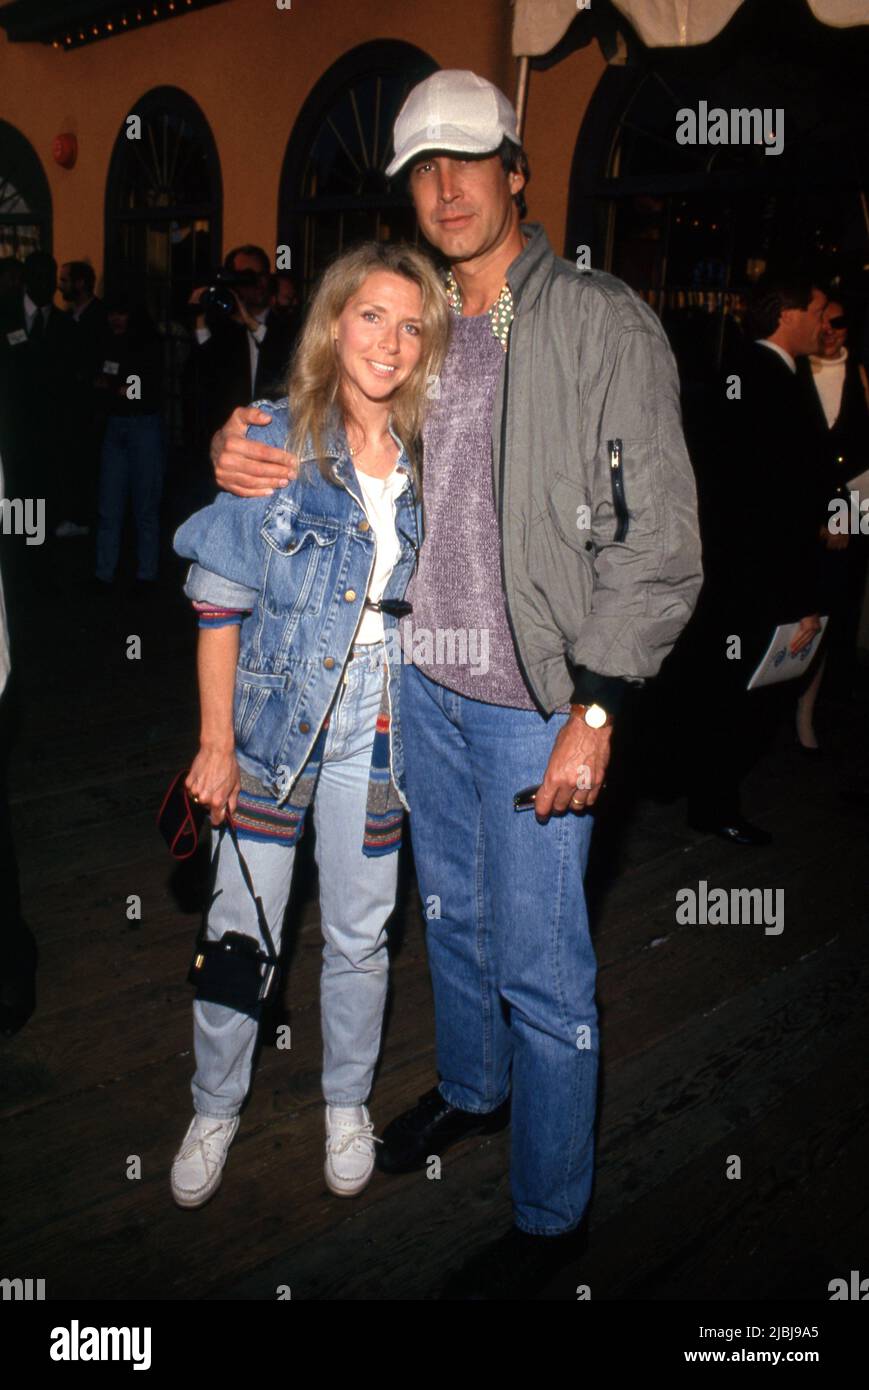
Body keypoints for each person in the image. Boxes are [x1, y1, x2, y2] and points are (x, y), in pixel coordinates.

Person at [207, 71, 702, 1298]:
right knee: (456, 926)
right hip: (418, 691)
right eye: (424, 168)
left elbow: (662, 546)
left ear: (516, 167)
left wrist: (597, 709)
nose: (446, 186)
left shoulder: (598, 319)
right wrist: (247, 435)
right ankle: (473, 1094)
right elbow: (337, 413)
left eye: (469, 160)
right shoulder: (417, 323)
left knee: (544, 965)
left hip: (540, 704)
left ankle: (552, 1223)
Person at [169, 241, 449, 1210]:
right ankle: (214, 1104)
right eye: (372, 315)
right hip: (272, 718)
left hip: (379, 726)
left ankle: (344, 1101)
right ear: (334, 322)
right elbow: (217, 597)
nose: (391, 339)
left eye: (412, 324)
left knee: (361, 935)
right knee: (241, 923)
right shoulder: (272, 439)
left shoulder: (430, 461)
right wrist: (213, 742)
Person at [675, 273, 827, 843]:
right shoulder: (760, 379)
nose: (824, 323)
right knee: (741, 693)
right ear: (788, 313)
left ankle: (706, 793)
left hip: (739, 569)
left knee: (731, 687)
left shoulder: (755, 374)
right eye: (816, 309)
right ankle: (712, 802)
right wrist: (802, 595)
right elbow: (775, 501)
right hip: (757, 574)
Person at [796, 296, 869, 742]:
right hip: (796, 517)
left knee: (829, 614)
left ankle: (808, 709)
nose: (830, 330)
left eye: (839, 322)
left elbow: (866, 458)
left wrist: (847, 518)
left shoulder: (859, 376)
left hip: (846, 516)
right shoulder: (794, 370)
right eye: (823, 320)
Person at [187, 245, 298, 447]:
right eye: (246, 277)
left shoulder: (286, 323)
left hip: (278, 437)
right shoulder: (225, 326)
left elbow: (280, 354)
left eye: (259, 275)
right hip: (231, 438)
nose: (256, 284)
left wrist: (248, 320)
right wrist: (200, 318)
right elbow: (202, 375)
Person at [93, 297, 166, 588]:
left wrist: (113, 387)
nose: (116, 319)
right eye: (112, 312)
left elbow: (136, 392)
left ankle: (146, 574)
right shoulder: (108, 342)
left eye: (121, 312)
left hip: (143, 427)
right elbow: (106, 386)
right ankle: (104, 573)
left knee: (145, 505)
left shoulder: (148, 343)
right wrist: (116, 389)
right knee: (108, 506)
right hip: (116, 427)